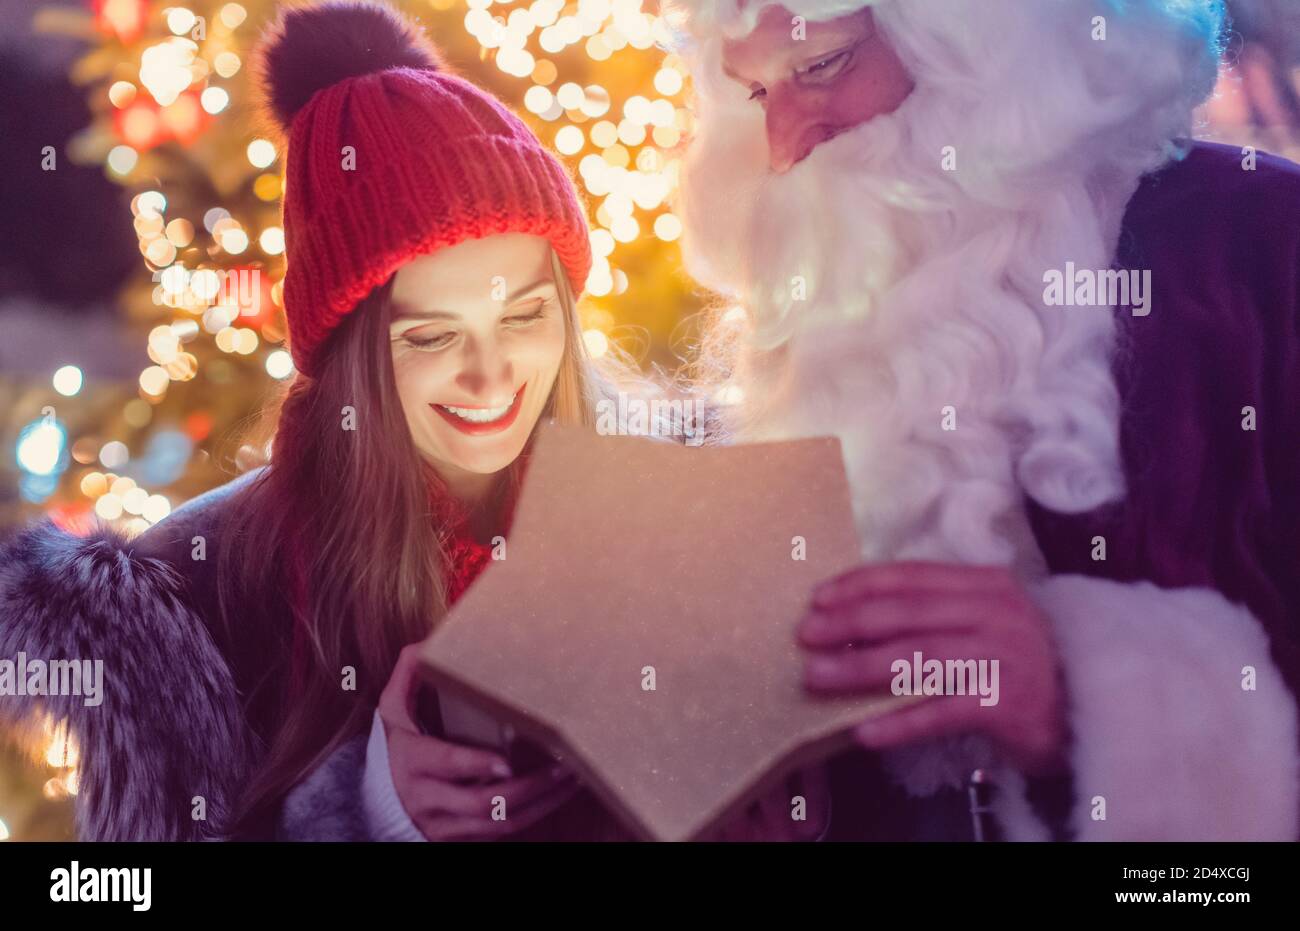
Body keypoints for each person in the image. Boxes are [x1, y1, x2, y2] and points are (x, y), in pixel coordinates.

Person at [0, 0, 827, 842]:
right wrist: (378, 814)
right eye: (433, 334)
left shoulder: (693, 494)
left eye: (523, 317)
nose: (492, 373)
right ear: (355, 351)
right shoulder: (192, 603)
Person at [664, 0, 1300, 839]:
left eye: (822, 65)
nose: (786, 145)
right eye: (754, 95)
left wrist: (1100, 699)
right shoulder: (817, 319)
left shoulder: (1248, 243)